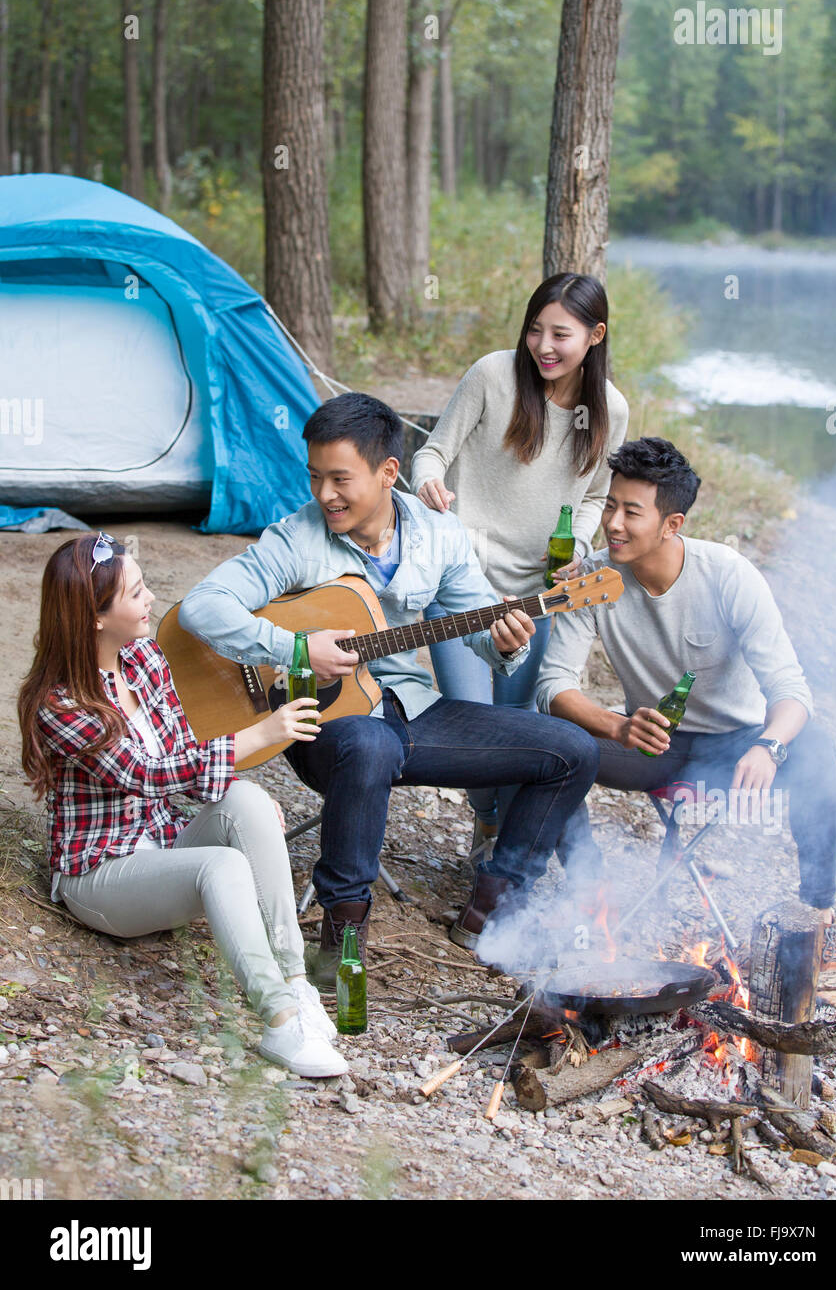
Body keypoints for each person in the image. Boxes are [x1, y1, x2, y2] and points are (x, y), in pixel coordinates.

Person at [179, 393, 601, 972]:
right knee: (369, 743)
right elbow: (202, 608)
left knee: (573, 750)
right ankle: (340, 943)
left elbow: (478, 622)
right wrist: (293, 646)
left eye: (340, 478)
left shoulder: (440, 535)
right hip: (318, 724)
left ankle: (494, 909)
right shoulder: (295, 539)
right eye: (315, 477)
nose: (324, 494)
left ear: (388, 472)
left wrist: (505, 640)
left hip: (413, 711)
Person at [535, 437, 836, 1010]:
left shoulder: (727, 575)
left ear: (671, 522)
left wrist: (770, 748)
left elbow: (791, 691)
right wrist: (615, 725)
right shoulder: (595, 581)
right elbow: (553, 684)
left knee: (817, 751)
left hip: (737, 742)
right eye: (611, 506)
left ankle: (816, 916)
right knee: (550, 746)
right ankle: (591, 890)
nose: (613, 523)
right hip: (649, 740)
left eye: (632, 512)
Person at [17, 533, 348, 1077]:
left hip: (162, 839)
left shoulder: (145, 657)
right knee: (221, 863)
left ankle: (296, 982)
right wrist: (258, 734)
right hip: (101, 872)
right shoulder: (61, 702)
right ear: (96, 617)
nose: (152, 598)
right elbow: (144, 774)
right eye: (137, 592)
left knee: (246, 799)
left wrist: (249, 807)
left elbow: (181, 759)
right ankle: (280, 1022)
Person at [411, 273, 628, 843]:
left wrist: (578, 547)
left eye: (561, 334)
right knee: (472, 727)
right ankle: (486, 818)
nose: (544, 347)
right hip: (460, 584)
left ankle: (498, 854)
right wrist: (429, 484)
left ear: (595, 336)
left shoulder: (610, 409)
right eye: (535, 331)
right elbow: (432, 452)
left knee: (519, 729)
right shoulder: (492, 375)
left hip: (538, 594)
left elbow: (597, 496)